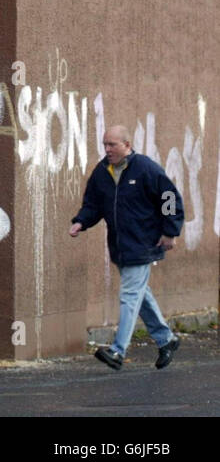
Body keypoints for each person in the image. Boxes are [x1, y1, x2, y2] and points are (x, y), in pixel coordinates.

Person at [69, 125, 184, 370]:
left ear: (127, 145)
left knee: (130, 295)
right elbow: (93, 204)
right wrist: (81, 221)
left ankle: (118, 351)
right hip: (120, 246)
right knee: (141, 295)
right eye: (105, 145)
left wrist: (170, 232)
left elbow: (169, 197)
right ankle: (166, 339)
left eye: (112, 144)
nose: (107, 149)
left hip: (144, 243)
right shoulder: (102, 172)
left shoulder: (145, 168)